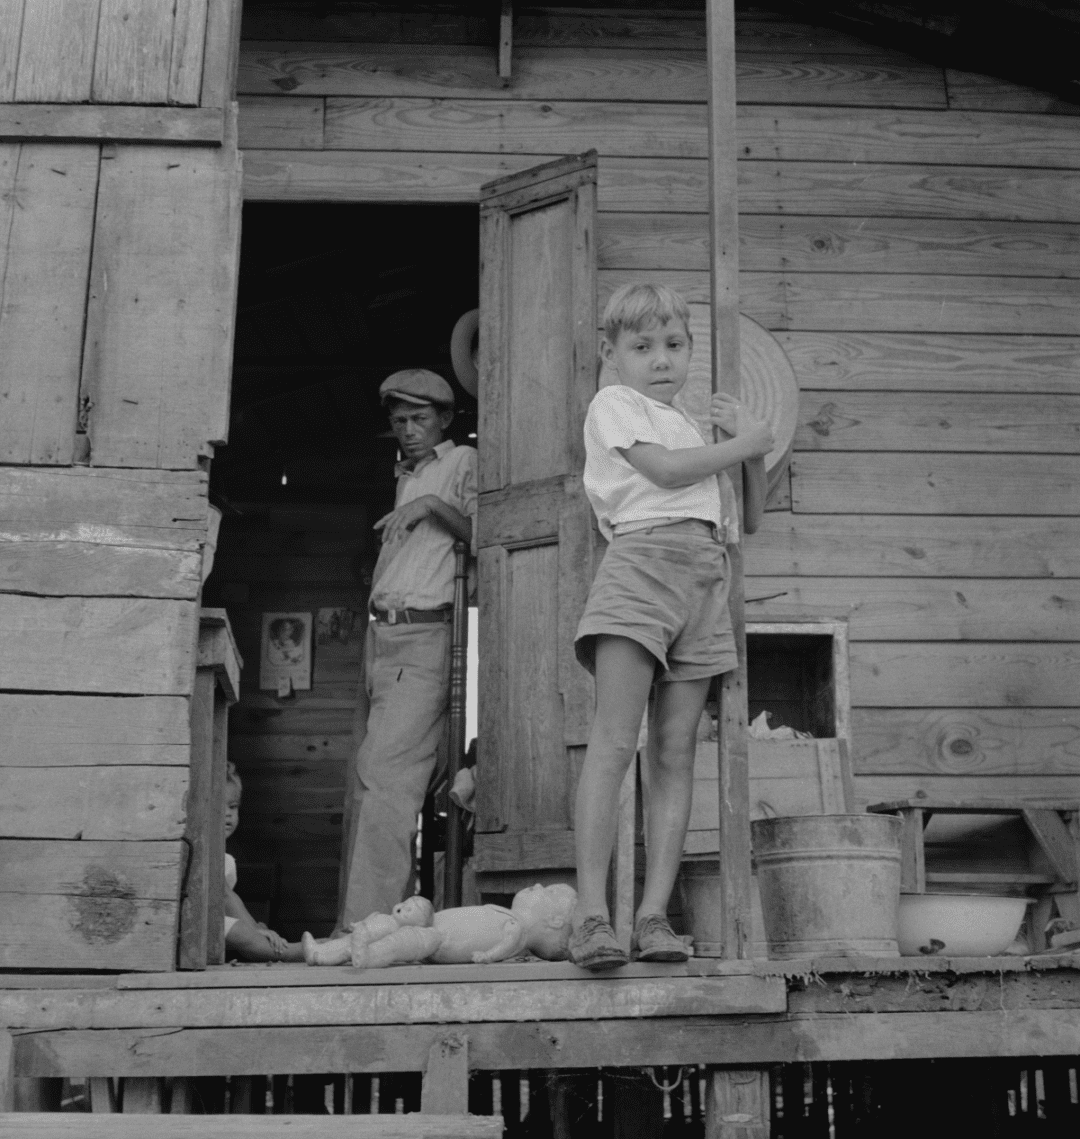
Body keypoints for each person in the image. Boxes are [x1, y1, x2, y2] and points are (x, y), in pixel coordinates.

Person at [569, 283, 774, 970]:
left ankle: (654, 915)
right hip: (641, 566)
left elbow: (751, 515)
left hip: (703, 578)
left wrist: (748, 450)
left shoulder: (693, 423)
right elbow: (661, 471)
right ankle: (593, 916)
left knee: (676, 750)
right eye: (642, 347)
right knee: (613, 741)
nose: (662, 361)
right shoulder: (614, 406)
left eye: (675, 346)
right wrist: (745, 439)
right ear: (612, 353)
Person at [337, 368, 477, 931]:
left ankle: (362, 926)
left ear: (445, 419)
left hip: (425, 635)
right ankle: (368, 922)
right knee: (369, 778)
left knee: (388, 779)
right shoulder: (408, 473)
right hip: (383, 637)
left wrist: (432, 509)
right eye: (400, 421)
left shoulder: (463, 463)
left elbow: (495, 532)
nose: (410, 430)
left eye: (420, 419)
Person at [223, 763, 305, 962]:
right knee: (245, 931)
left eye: (233, 807)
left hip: (217, 921)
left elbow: (227, 899)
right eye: (218, 807)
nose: (228, 814)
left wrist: (256, 928)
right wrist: (251, 928)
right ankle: (299, 952)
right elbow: (223, 896)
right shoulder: (204, 852)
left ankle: (317, 945)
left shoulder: (224, 857)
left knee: (257, 929)